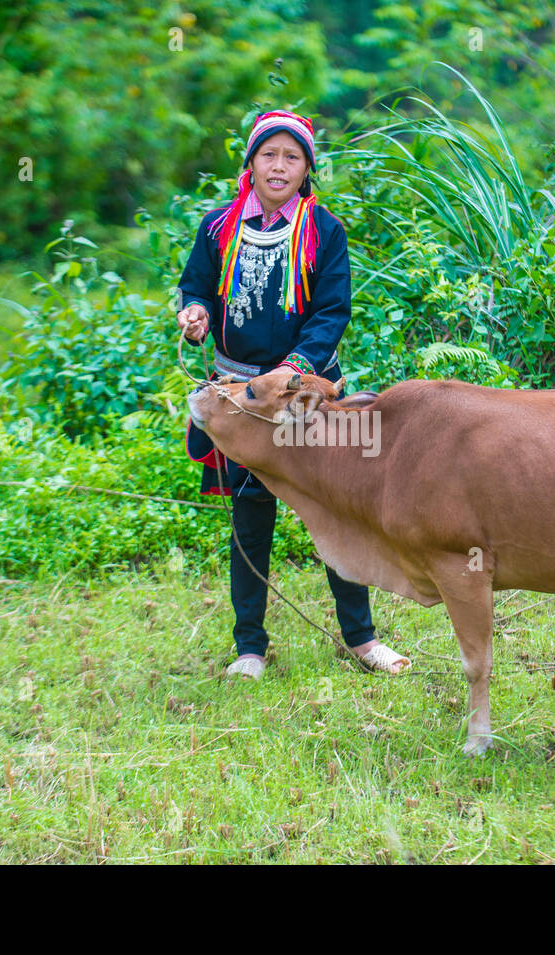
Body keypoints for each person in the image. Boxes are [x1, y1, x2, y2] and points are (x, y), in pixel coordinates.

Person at [175, 109, 410, 680]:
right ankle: (250, 648)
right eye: (268, 154)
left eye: (292, 157)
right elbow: (195, 284)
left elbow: (332, 311)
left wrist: (295, 369)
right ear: (250, 162)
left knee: (335, 514)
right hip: (238, 398)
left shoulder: (325, 231)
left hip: (307, 395)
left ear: (307, 168)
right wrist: (196, 311)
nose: (279, 166)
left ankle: (360, 638)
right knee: (250, 519)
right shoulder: (217, 228)